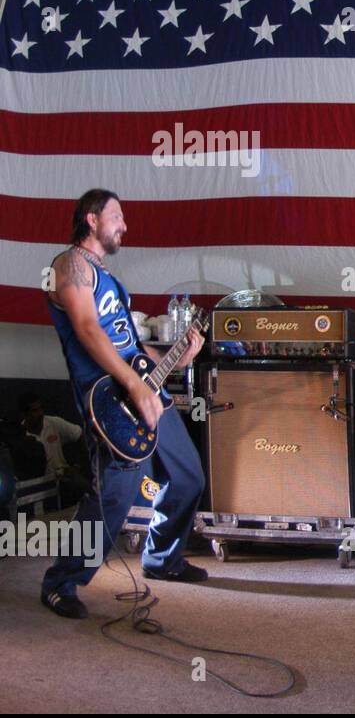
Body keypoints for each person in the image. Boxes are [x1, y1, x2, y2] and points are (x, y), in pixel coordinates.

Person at [40, 189, 209, 619]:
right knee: (113, 497)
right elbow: (87, 330)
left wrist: (179, 357)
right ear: (92, 220)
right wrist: (135, 388)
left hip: (143, 387)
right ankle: (61, 582)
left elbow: (132, 348)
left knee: (188, 476)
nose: (125, 225)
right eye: (117, 216)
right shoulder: (70, 264)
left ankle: (161, 557)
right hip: (108, 399)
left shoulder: (108, 278)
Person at [18, 392, 92, 506]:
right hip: (38, 485)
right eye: (34, 411)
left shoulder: (53, 423)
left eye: (41, 409)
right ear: (24, 414)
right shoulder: (20, 436)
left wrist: (78, 465)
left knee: (86, 488)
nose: (40, 413)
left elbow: (80, 434)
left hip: (62, 477)